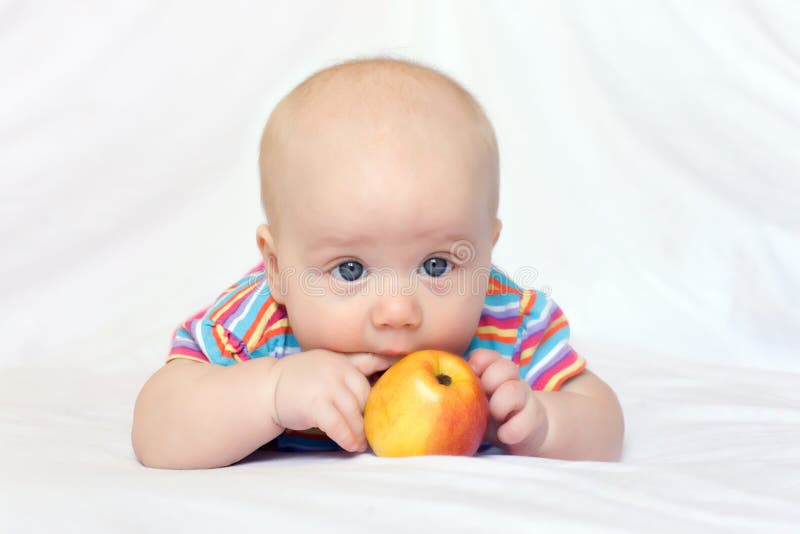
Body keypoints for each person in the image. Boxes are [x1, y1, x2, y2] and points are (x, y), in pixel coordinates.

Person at [132, 57, 624, 469]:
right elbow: (156, 431)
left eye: (435, 266)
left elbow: (604, 425)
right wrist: (271, 393)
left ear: (486, 252)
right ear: (278, 270)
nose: (397, 311)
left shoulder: (505, 323)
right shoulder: (259, 327)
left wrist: (541, 423)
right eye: (350, 270)